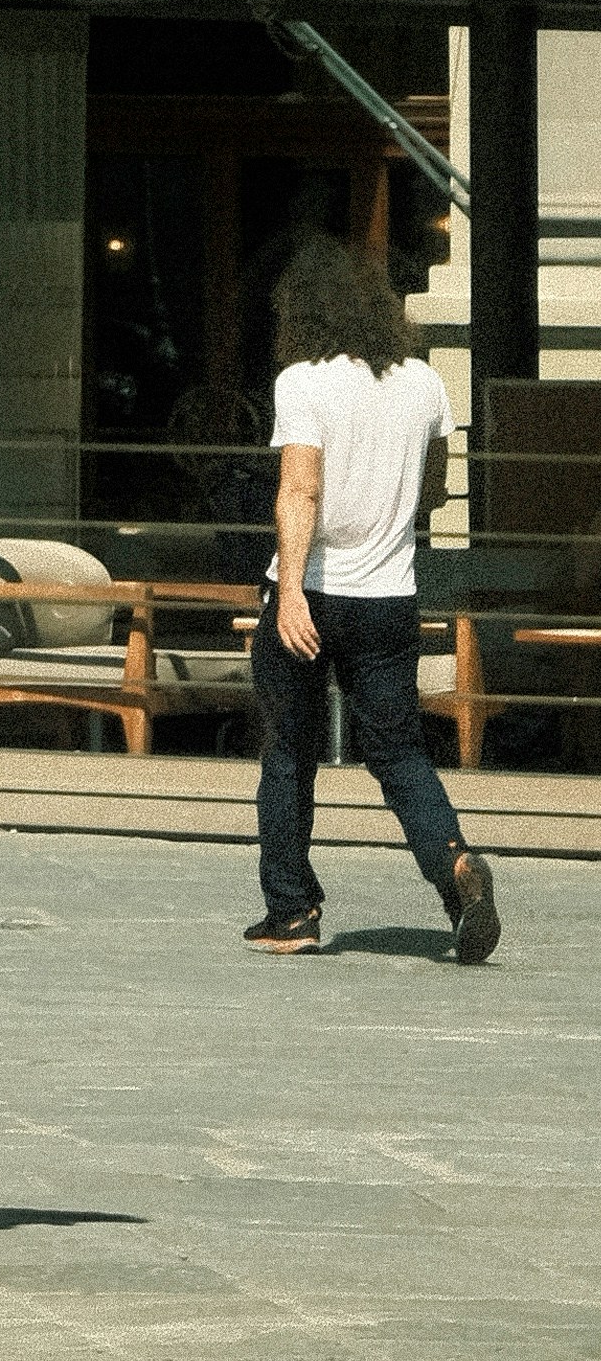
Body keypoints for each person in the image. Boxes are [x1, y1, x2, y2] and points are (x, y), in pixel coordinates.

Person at [244, 226, 499, 967]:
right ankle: (454, 869)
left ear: (302, 314)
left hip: (316, 591)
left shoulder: (304, 383)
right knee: (399, 754)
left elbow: (301, 488)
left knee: (290, 753)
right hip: (391, 598)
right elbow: (436, 487)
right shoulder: (423, 382)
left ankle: (292, 913)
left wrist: (290, 590)